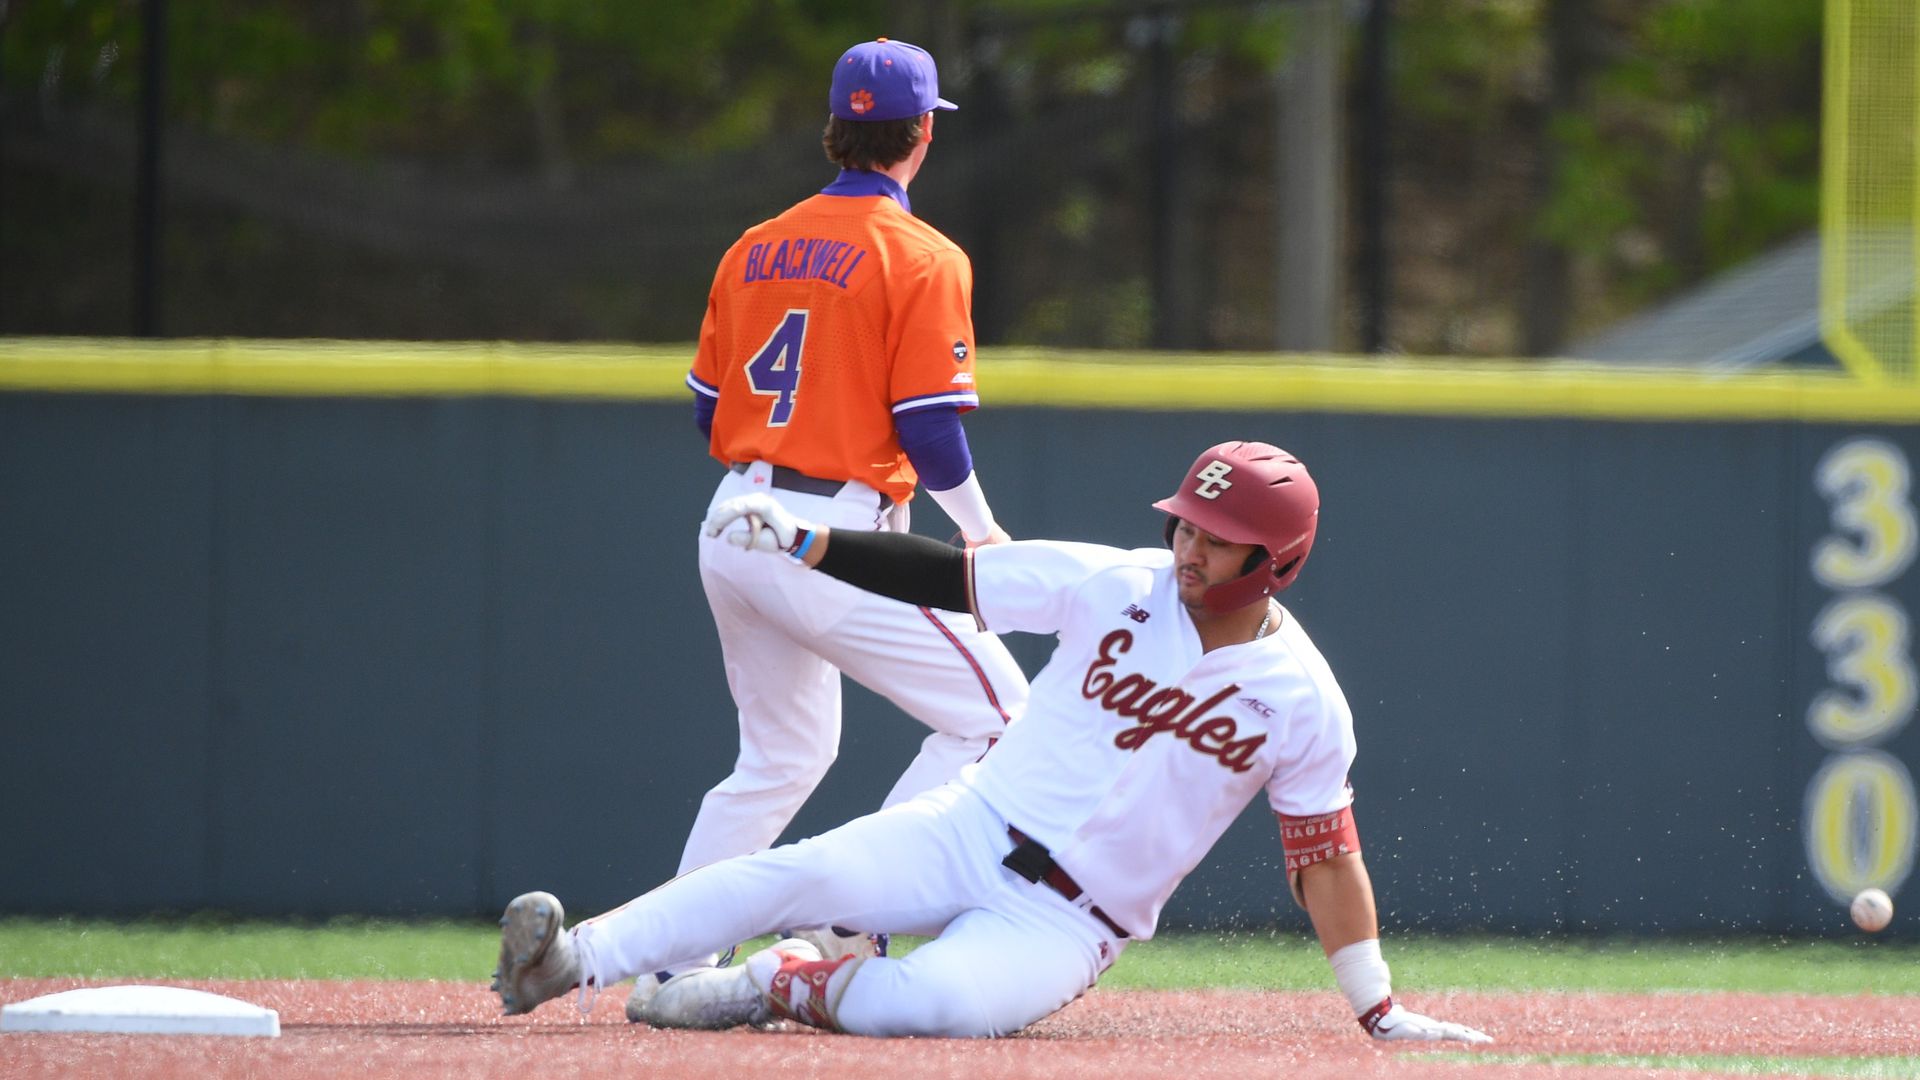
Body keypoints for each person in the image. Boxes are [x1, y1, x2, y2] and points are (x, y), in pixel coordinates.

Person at [493, 441, 1492, 1044]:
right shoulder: (1119, 581)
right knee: (787, 872)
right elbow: (948, 576)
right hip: (971, 823)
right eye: (1187, 523)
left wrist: (1378, 1006)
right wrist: (812, 543)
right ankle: (569, 961)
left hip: (1068, 924)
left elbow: (1325, 858)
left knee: (922, 1009)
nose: (1189, 546)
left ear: (1276, 560)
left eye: (1215, 535)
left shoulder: (1304, 699)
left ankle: (771, 981)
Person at [644, 34, 1034, 996]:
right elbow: (929, 424)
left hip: (735, 518)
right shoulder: (924, 254)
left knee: (782, 756)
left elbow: (709, 403)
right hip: (833, 535)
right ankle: (847, 920)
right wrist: (980, 531)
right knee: (1001, 722)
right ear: (922, 139)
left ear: (835, 131)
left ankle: (669, 960)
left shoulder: (754, 244)